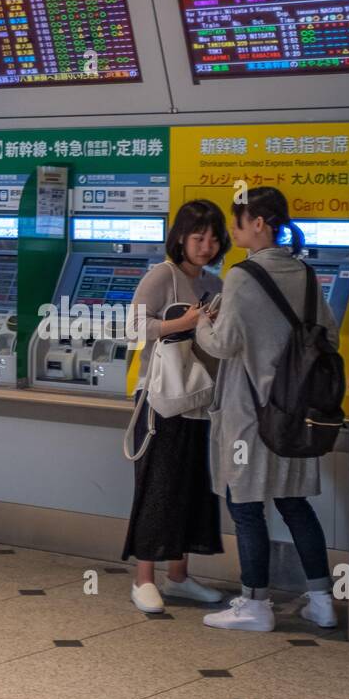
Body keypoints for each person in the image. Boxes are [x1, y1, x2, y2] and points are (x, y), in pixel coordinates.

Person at [193, 187, 339, 632]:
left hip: (251, 412)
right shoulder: (307, 273)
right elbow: (327, 338)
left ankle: (255, 605)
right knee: (295, 504)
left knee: (246, 505)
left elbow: (224, 344)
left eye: (238, 222)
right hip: (296, 412)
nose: (233, 230)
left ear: (259, 224)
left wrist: (203, 321)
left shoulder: (242, 276)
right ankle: (321, 601)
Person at [122, 200, 229, 613]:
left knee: (190, 489)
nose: (207, 245)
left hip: (200, 399)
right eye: (198, 237)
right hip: (159, 399)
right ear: (180, 238)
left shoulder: (216, 284)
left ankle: (180, 576)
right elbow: (134, 327)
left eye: (214, 238)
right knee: (157, 488)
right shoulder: (161, 276)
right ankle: (144, 579)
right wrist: (180, 325)